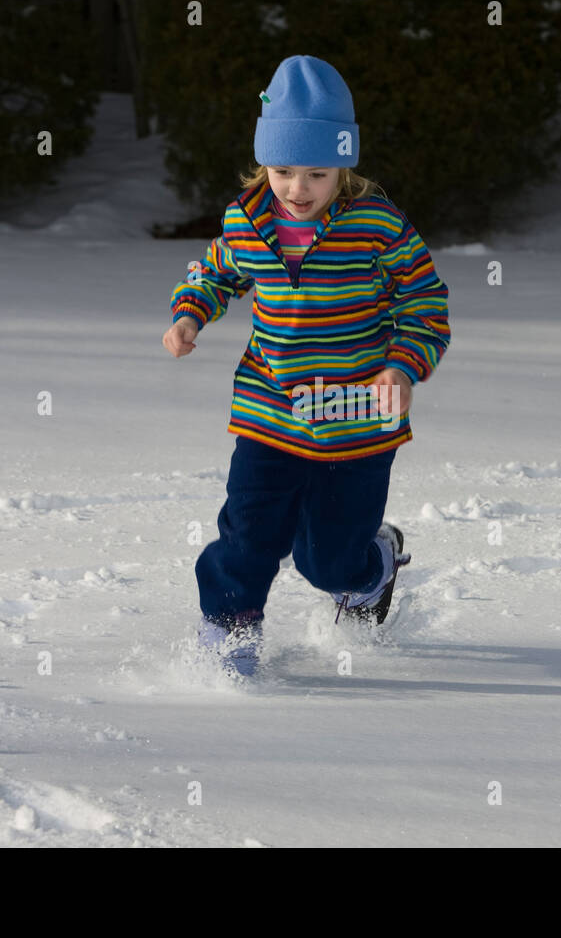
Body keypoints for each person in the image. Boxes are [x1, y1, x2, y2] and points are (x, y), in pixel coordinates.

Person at [162, 54, 451, 677]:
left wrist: (401, 368)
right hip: (271, 413)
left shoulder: (376, 226)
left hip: (356, 420)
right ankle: (229, 636)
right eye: (282, 170)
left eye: (316, 172)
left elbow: (425, 302)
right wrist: (190, 313)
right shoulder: (246, 221)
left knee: (328, 562)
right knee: (248, 534)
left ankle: (371, 567)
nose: (296, 188)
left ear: (342, 166)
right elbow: (214, 272)